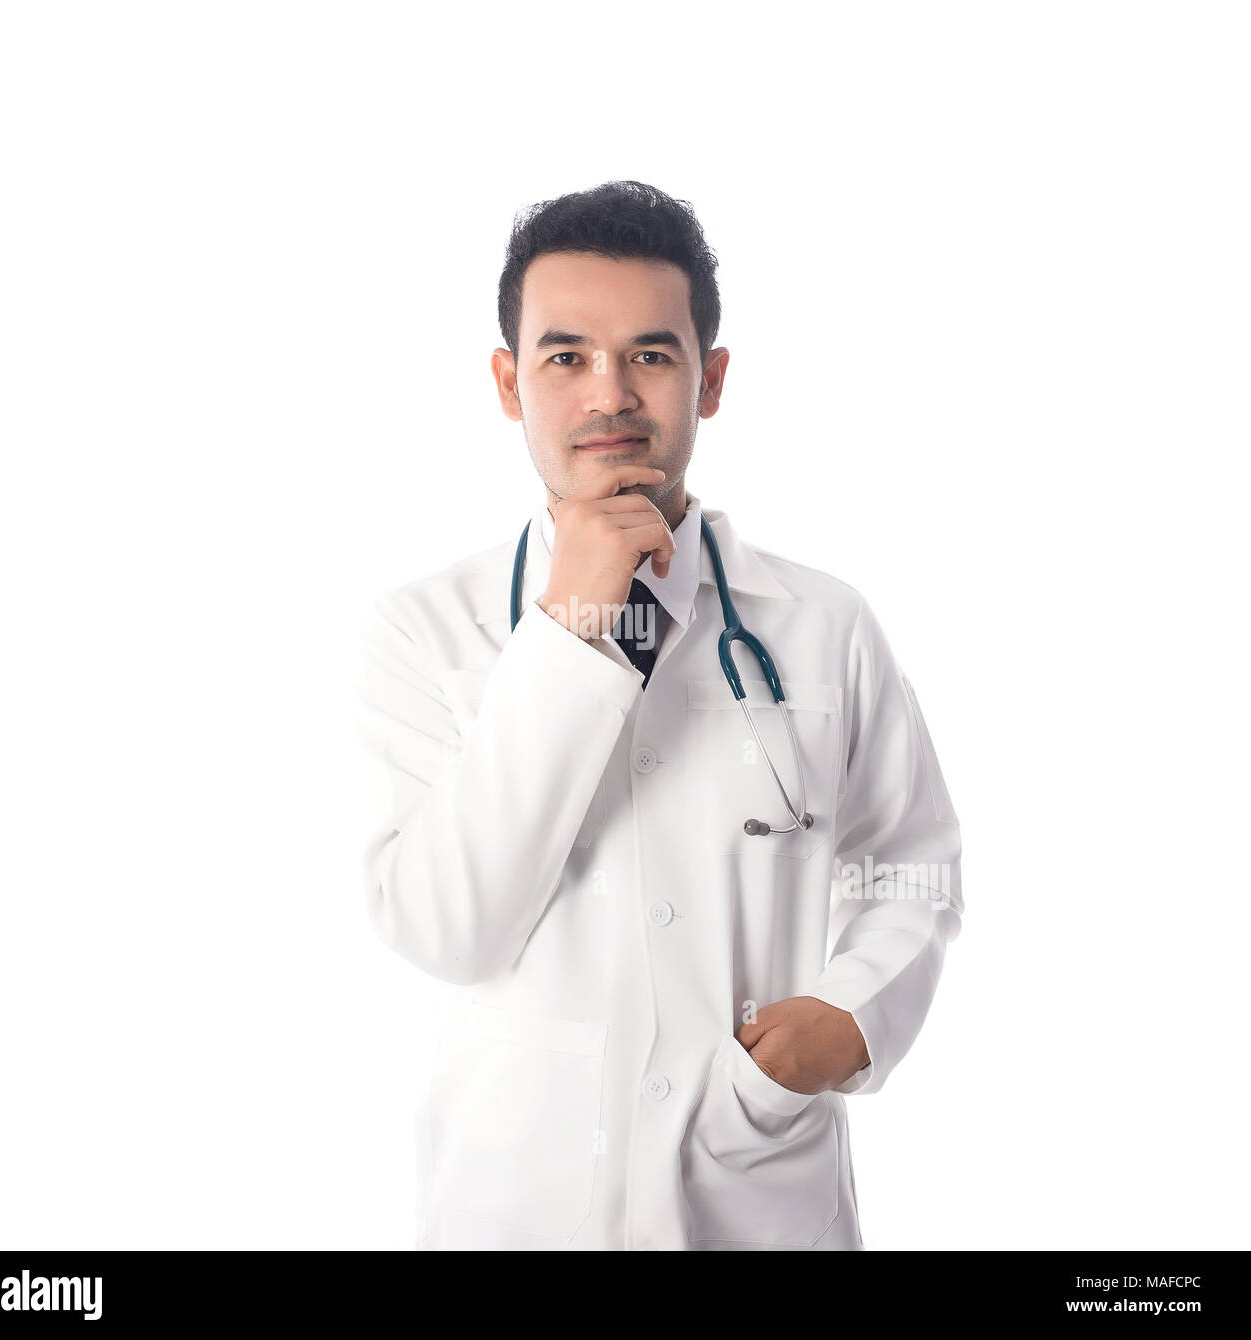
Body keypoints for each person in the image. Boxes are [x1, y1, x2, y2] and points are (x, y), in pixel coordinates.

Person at [353, 180, 963, 1251]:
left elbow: (911, 862)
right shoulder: (423, 632)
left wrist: (851, 1015)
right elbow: (446, 925)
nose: (609, 394)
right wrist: (569, 624)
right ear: (509, 383)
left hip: (756, 1195)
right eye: (564, 357)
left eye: (649, 353)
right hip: (510, 1206)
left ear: (708, 378)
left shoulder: (821, 623)